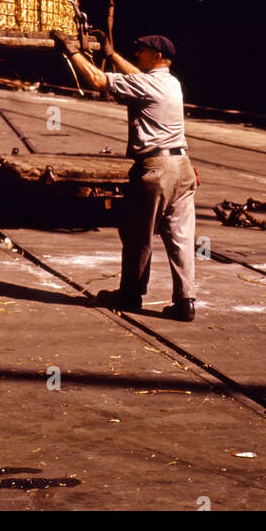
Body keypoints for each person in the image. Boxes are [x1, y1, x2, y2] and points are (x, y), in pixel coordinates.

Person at [51, 28, 198, 321]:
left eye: (142, 51)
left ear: (157, 56)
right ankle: (186, 301)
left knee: (136, 234)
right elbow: (139, 79)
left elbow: (96, 80)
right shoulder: (172, 84)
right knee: (180, 237)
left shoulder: (148, 86)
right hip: (182, 168)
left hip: (155, 171)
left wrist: (71, 51)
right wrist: (111, 55)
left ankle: (131, 296)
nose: (137, 54)